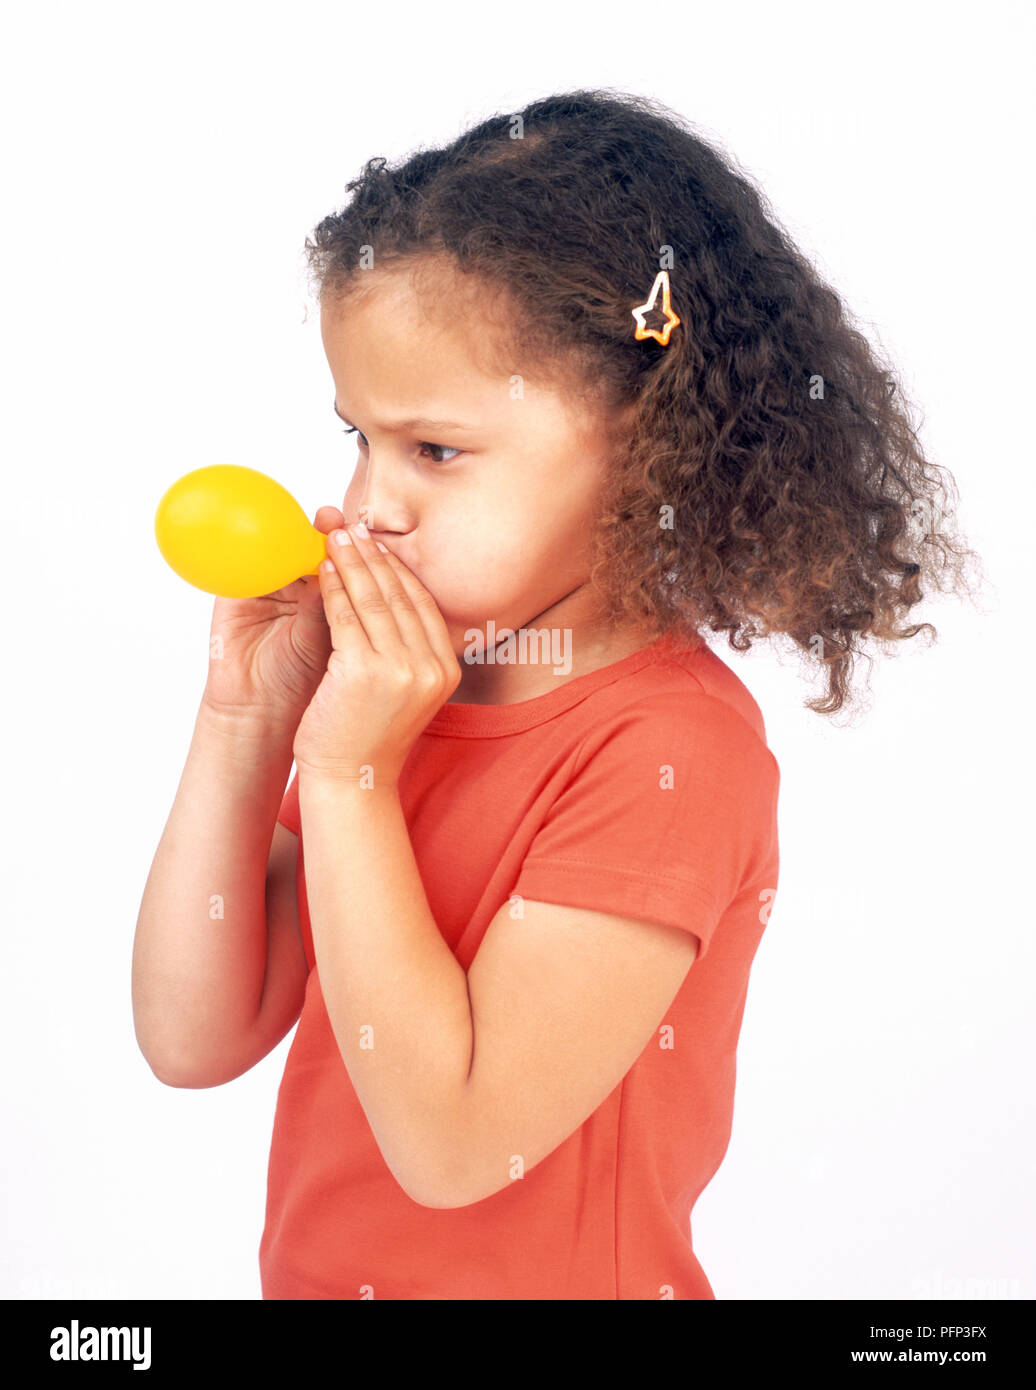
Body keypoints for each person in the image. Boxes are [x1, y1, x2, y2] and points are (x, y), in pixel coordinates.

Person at [132, 89, 981, 1300]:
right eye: (356, 437)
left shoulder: (667, 747)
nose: (370, 504)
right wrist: (247, 722)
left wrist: (352, 774)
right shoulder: (398, 695)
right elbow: (192, 1034)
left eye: (435, 450)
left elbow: (455, 1144)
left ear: (647, 441)